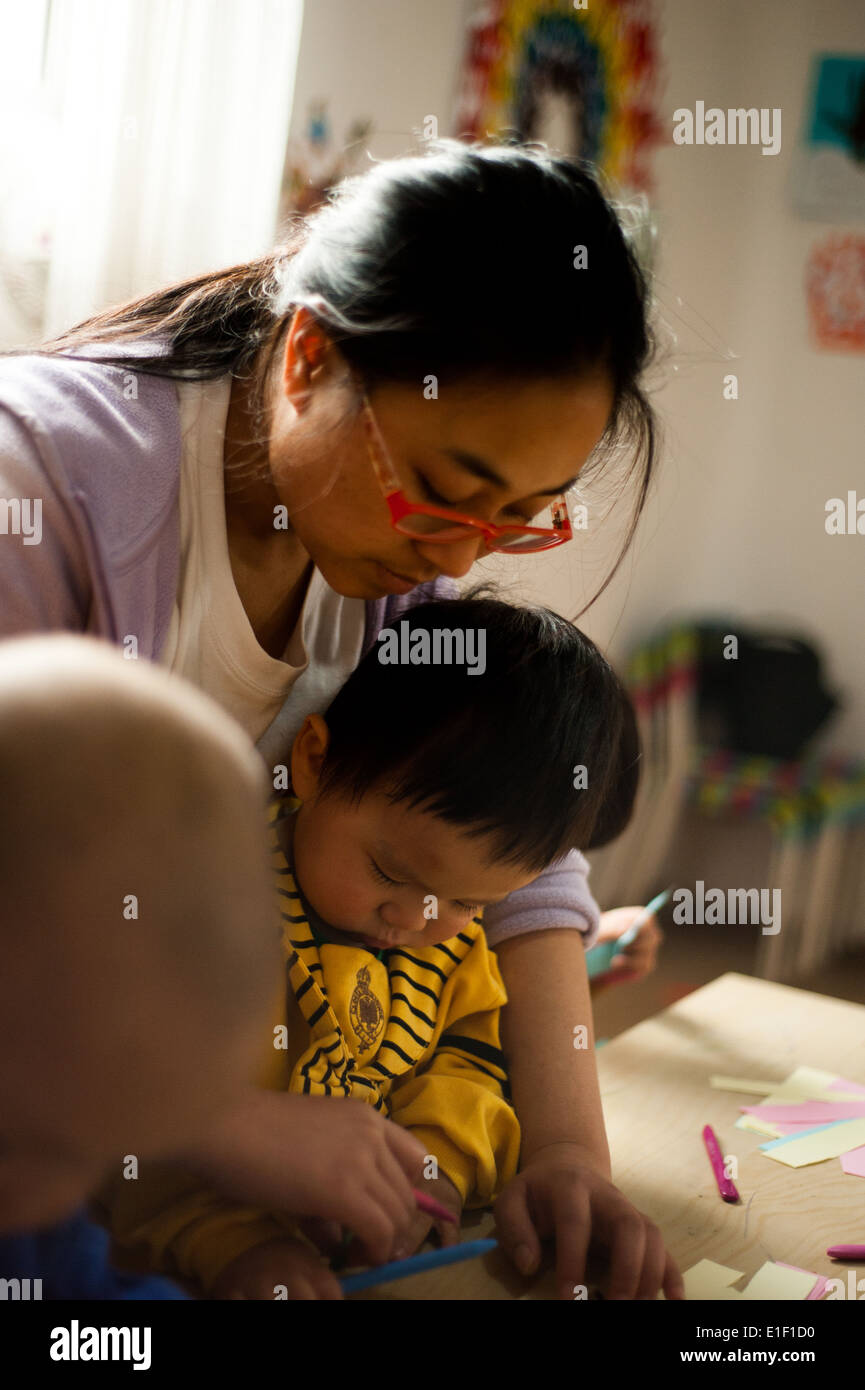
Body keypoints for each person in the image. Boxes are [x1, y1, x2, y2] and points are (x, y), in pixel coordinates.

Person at [0, 138, 678, 1299]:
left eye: (522, 517)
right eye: (448, 492)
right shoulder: (42, 487)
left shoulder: (384, 548)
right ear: (310, 354)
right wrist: (216, 1121)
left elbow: (512, 843)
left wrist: (566, 1151)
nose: (462, 554)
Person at [98, 594, 664, 1300]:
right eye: (389, 873)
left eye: (470, 903)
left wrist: (428, 1177)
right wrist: (240, 1246)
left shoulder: (454, 947)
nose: (417, 918)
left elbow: (471, 1068)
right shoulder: (210, 908)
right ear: (311, 761)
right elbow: (128, 1133)